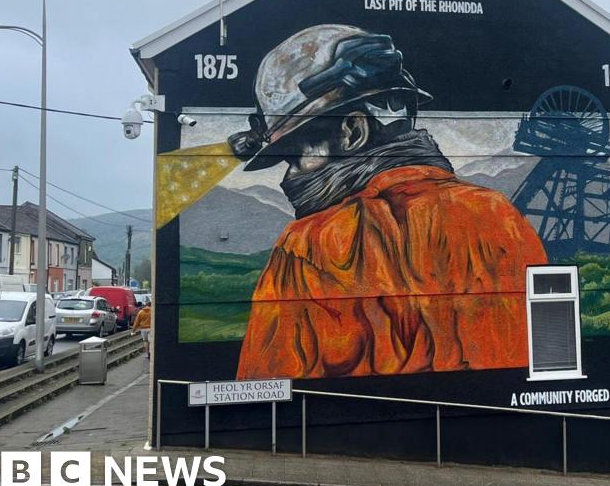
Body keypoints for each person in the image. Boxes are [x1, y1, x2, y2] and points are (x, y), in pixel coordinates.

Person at [228, 25, 547, 380]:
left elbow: (267, 392)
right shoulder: (499, 215)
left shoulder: (305, 248)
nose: (292, 175)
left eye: (294, 156)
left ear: (352, 131)